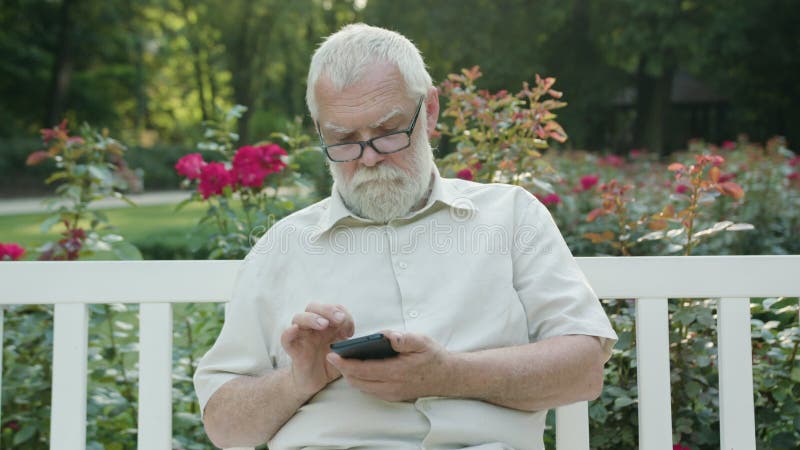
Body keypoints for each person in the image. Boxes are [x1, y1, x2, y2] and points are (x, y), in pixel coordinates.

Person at [194, 23, 617, 450]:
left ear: (429, 110)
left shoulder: (511, 215)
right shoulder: (282, 246)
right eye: (343, 140)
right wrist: (299, 380)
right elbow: (225, 428)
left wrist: (448, 374)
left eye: (387, 132)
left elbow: (584, 369)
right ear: (320, 132)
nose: (370, 158)